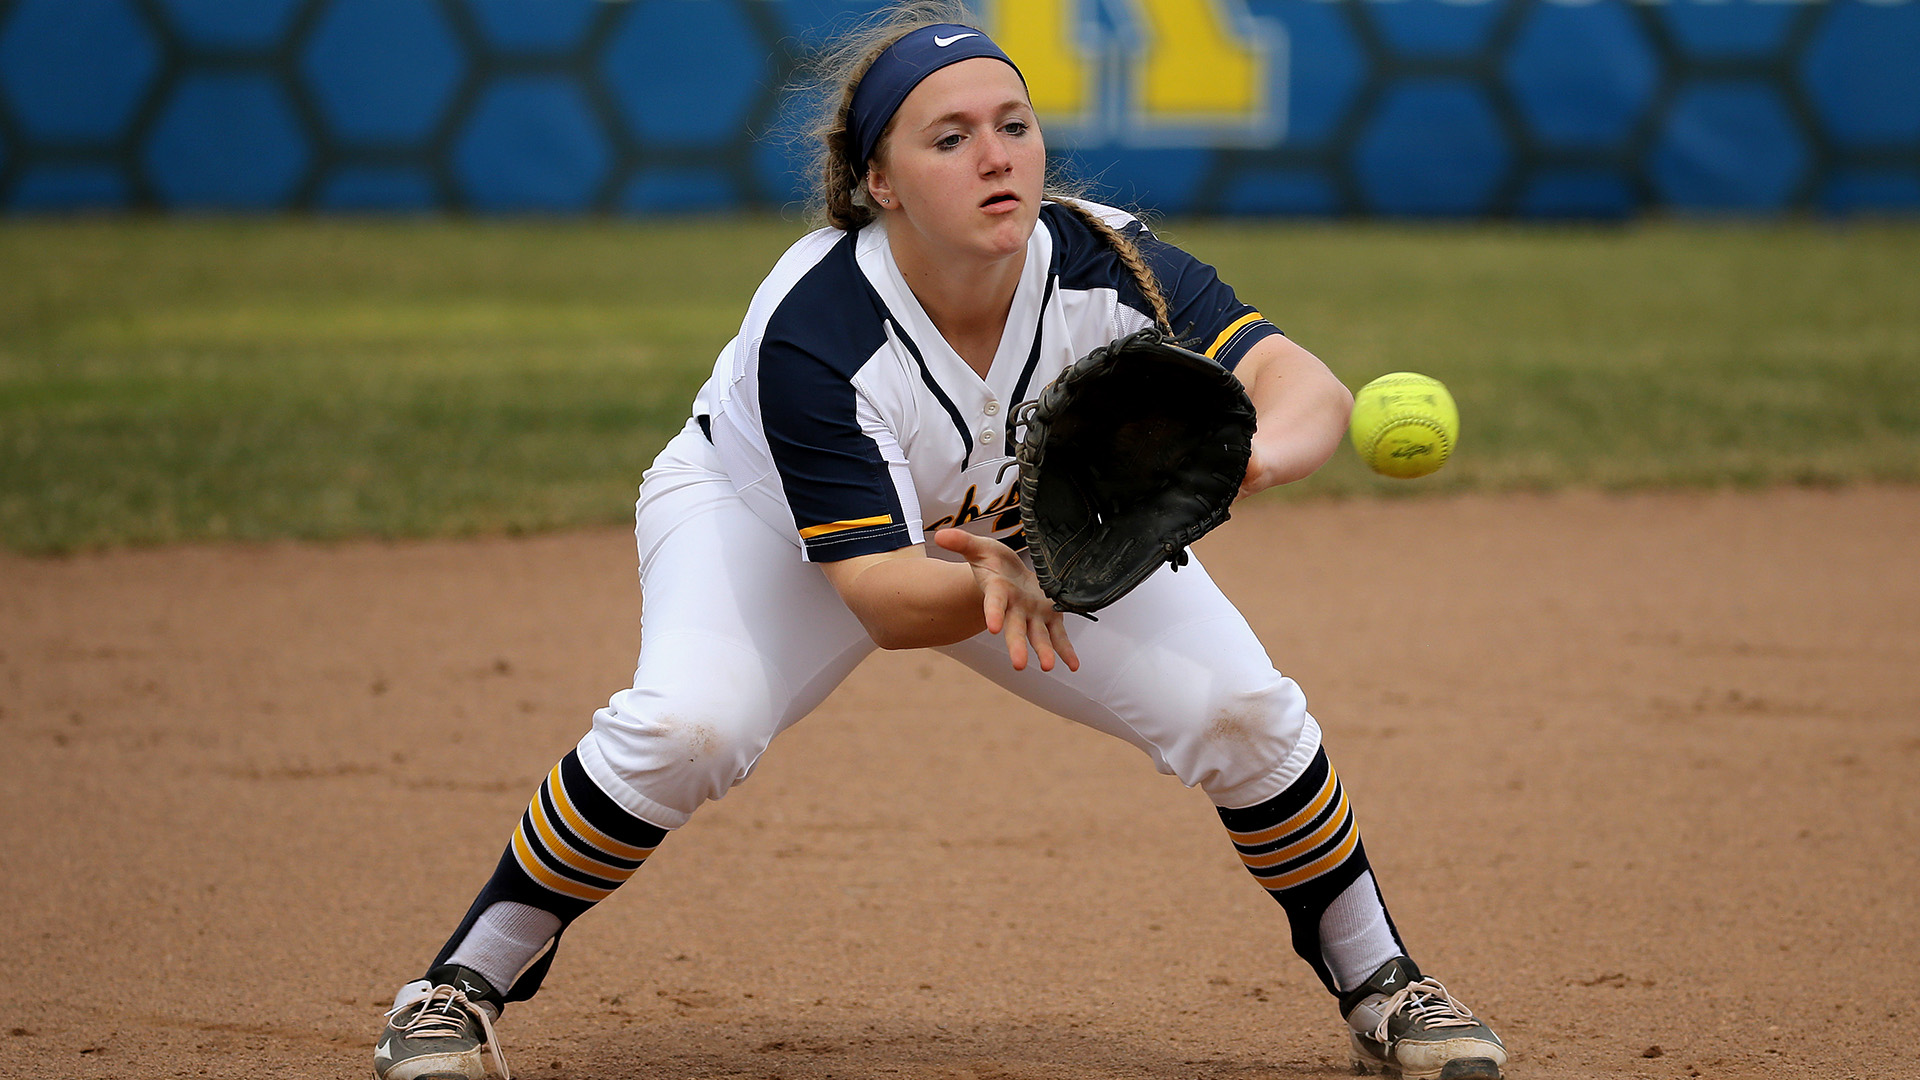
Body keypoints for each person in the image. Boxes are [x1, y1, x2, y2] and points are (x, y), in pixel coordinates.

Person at [372, 5, 1508, 1080]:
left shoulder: (1104, 260)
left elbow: (1293, 377)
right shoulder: (817, 328)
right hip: (768, 522)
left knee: (1247, 712)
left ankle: (1385, 986)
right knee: (687, 726)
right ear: (879, 183)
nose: (996, 156)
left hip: (1018, 525)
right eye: (950, 136)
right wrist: (1032, 573)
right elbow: (881, 598)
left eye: (1013, 125)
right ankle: (456, 989)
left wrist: (1255, 456)